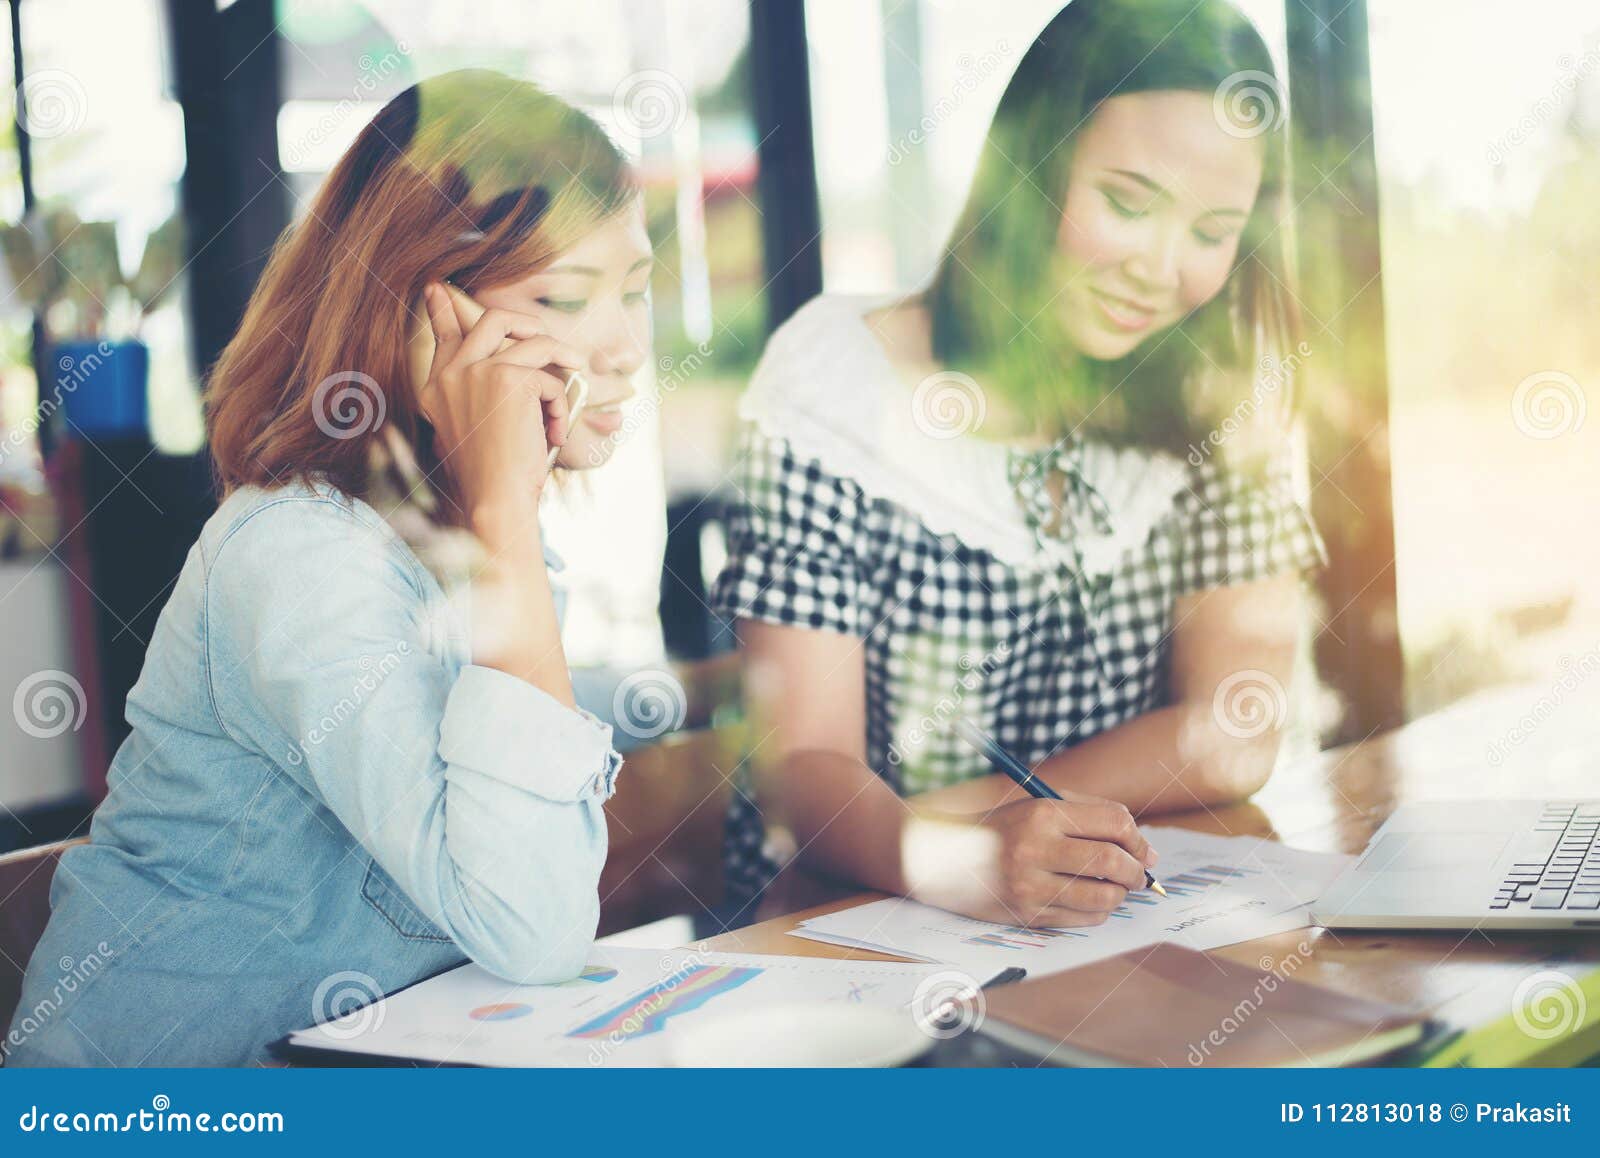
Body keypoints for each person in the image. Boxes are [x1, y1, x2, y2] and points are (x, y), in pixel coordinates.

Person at [5, 70, 653, 1066]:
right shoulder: (306, 557)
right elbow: (534, 930)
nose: (624, 348)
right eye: (567, 298)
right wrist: (504, 519)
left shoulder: (468, 545)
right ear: (424, 318)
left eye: (637, 290)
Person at [712, 0, 1324, 927]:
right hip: (843, 938)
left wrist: (1016, 824)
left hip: (1097, 923)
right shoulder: (832, 385)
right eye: (1128, 201)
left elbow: (1235, 731)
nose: (1162, 267)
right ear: (1028, 167)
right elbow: (805, 774)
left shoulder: (1216, 391)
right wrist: (954, 854)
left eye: (1211, 231)